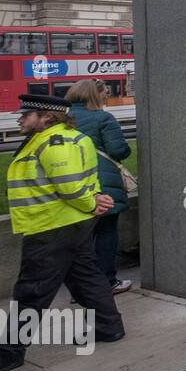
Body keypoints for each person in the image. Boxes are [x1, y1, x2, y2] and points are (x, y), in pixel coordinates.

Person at [0, 95, 123, 371]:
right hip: (71, 223)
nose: (20, 118)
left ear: (47, 116)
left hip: (52, 227)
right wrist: (94, 202)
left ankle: (8, 353)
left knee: (32, 290)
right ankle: (108, 327)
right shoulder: (62, 138)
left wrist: (91, 203)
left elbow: (71, 187)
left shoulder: (55, 143)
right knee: (85, 277)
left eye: (26, 114)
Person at [66, 79, 133, 294]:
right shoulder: (103, 118)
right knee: (106, 234)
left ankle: (80, 288)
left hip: (72, 185)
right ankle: (106, 282)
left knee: (81, 240)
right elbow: (118, 150)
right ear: (95, 96)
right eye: (105, 93)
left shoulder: (63, 120)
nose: (106, 97)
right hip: (102, 184)